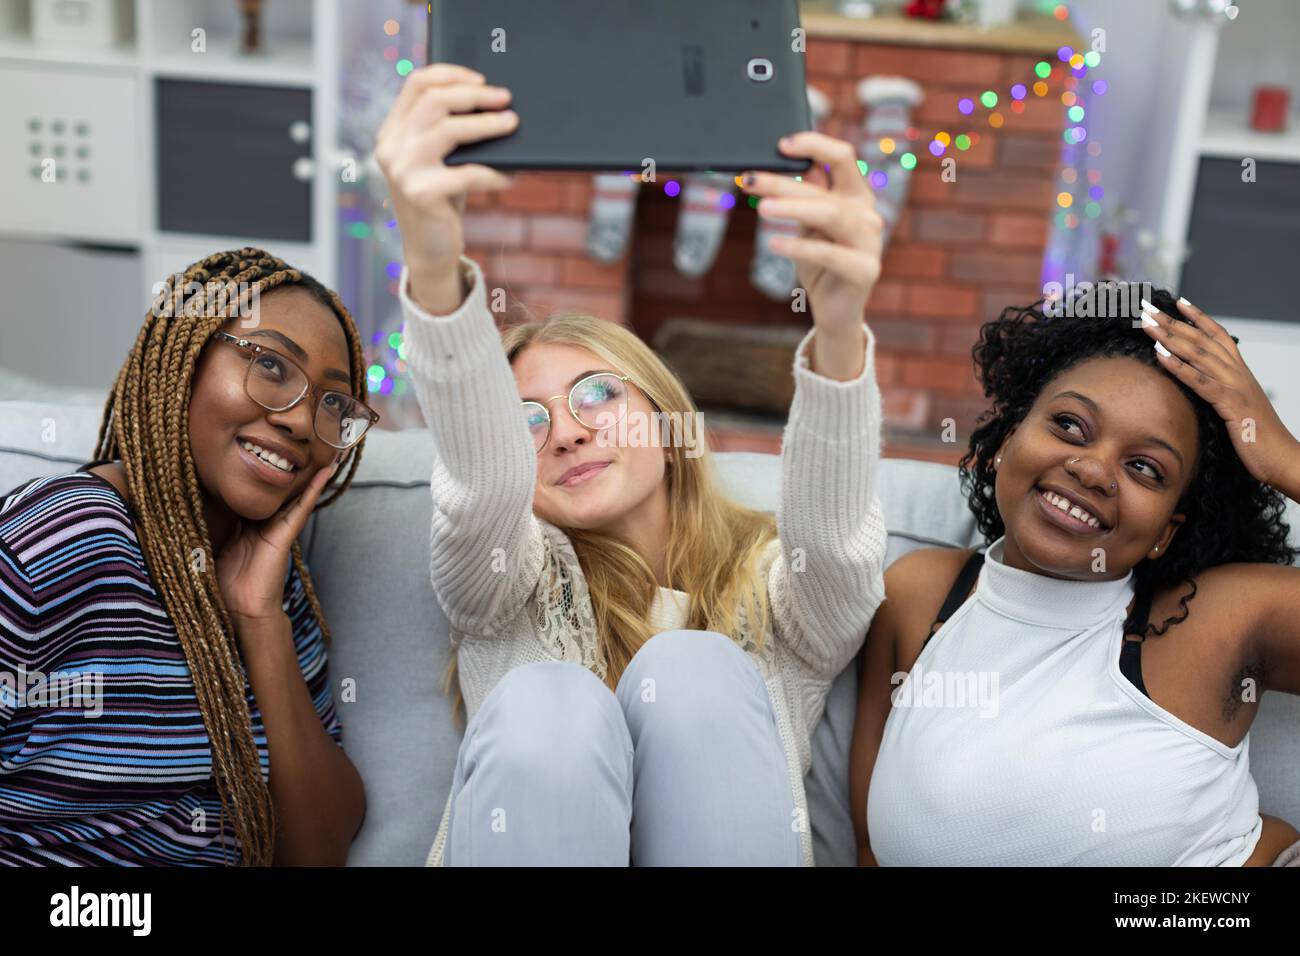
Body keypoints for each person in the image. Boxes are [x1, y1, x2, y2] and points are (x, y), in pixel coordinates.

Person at [376, 63, 889, 865]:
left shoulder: (779, 592)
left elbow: (836, 552)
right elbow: (478, 497)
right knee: (552, 702)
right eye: (527, 421)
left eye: (598, 393)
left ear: (668, 410)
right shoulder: (506, 588)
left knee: (690, 670)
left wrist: (838, 328)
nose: (570, 434)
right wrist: (435, 269)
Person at [851, 287, 1300, 866]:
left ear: (1168, 528)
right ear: (1007, 440)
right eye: (1069, 425)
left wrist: (1281, 457)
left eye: (1144, 467)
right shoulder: (919, 597)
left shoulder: (1217, 616)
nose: (1092, 469)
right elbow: (871, 849)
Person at [0, 249, 373, 865]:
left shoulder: (274, 575)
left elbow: (319, 851)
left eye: (335, 404)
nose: (306, 422)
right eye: (272, 366)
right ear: (182, 360)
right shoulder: (64, 537)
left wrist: (260, 622)